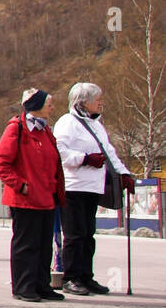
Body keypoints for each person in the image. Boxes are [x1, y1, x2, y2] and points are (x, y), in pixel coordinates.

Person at [54, 82, 134, 295]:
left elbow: (109, 152)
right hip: (73, 186)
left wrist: (123, 173)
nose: (101, 103)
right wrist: (85, 159)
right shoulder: (67, 123)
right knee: (74, 234)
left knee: (88, 234)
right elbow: (60, 153)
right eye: (97, 100)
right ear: (84, 102)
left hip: (93, 187)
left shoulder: (97, 125)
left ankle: (85, 276)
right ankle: (71, 277)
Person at [0, 88, 66, 302]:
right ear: (37, 106)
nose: (52, 108)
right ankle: (23, 286)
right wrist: (22, 186)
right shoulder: (17, 129)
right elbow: (2, 163)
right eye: (48, 104)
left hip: (46, 198)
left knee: (44, 245)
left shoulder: (46, 131)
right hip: (26, 199)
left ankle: (42, 285)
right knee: (26, 244)